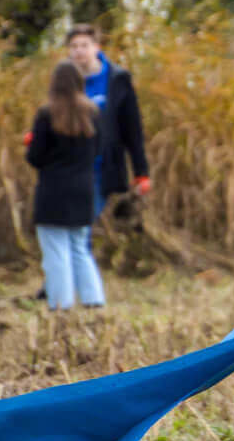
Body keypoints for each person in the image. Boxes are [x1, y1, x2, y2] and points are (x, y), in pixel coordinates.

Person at [25, 62, 107, 311]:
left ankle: (61, 304)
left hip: (53, 191)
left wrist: (30, 143)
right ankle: (94, 300)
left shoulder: (46, 114)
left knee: (55, 250)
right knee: (80, 248)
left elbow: (35, 157)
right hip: (83, 189)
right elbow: (98, 150)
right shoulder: (92, 113)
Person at [64, 24, 151, 219]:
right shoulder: (64, 80)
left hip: (101, 169)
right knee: (72, 229)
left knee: (80, 225)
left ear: (97, 47)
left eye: (84, 45)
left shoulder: (117, 79)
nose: (78, 51)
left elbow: (132, 128)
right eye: (74, 46)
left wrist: (141, 172)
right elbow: (53, 118)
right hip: (69, 168)